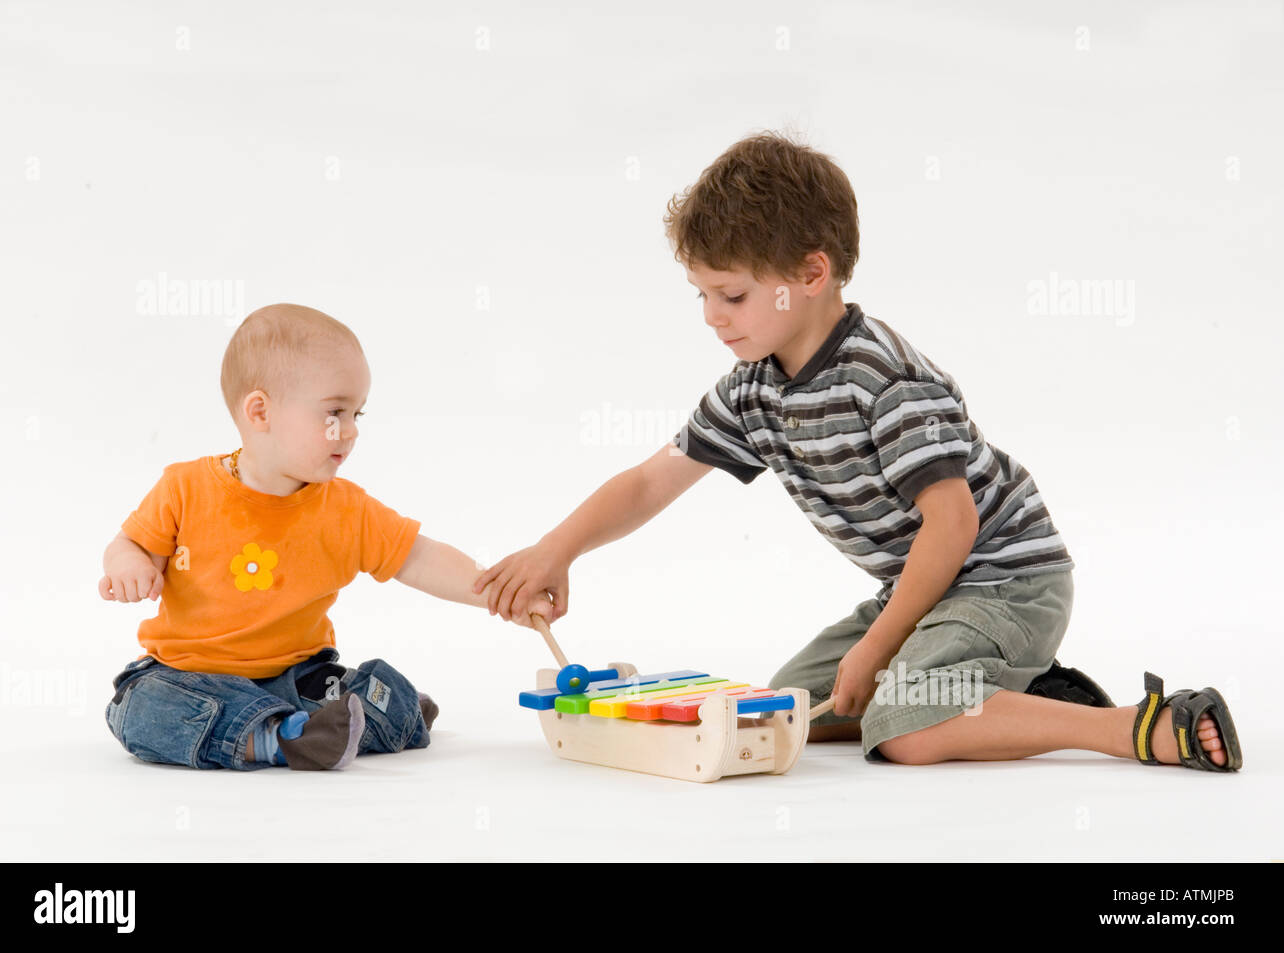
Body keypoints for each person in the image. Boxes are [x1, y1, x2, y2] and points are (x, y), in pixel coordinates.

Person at [473, 132, 1241, 772]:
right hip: (928, 591)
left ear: (811, 273)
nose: (711, 316)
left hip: (1008, 581)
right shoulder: (752, 390)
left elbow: (953, 527)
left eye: (732, 295)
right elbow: (648, 483)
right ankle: (1021, 693)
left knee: (901, 721)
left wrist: (879, 643)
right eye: (700, 295)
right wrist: (556, 549)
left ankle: (1130, 726)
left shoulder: (883, 378)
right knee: (786, 708)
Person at [99, 303, 551, 770]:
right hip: (190, 678)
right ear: (261, 412)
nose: (351, 431)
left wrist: (501, 592)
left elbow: (418, 557)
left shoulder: (345, 508)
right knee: (140, 709)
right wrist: (127, 564)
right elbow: (129, 545)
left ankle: (366, 713)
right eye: (335, 412)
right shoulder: (185, 488)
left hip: (300, 678)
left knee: (344, 692)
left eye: (358, 413)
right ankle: (281, 737)